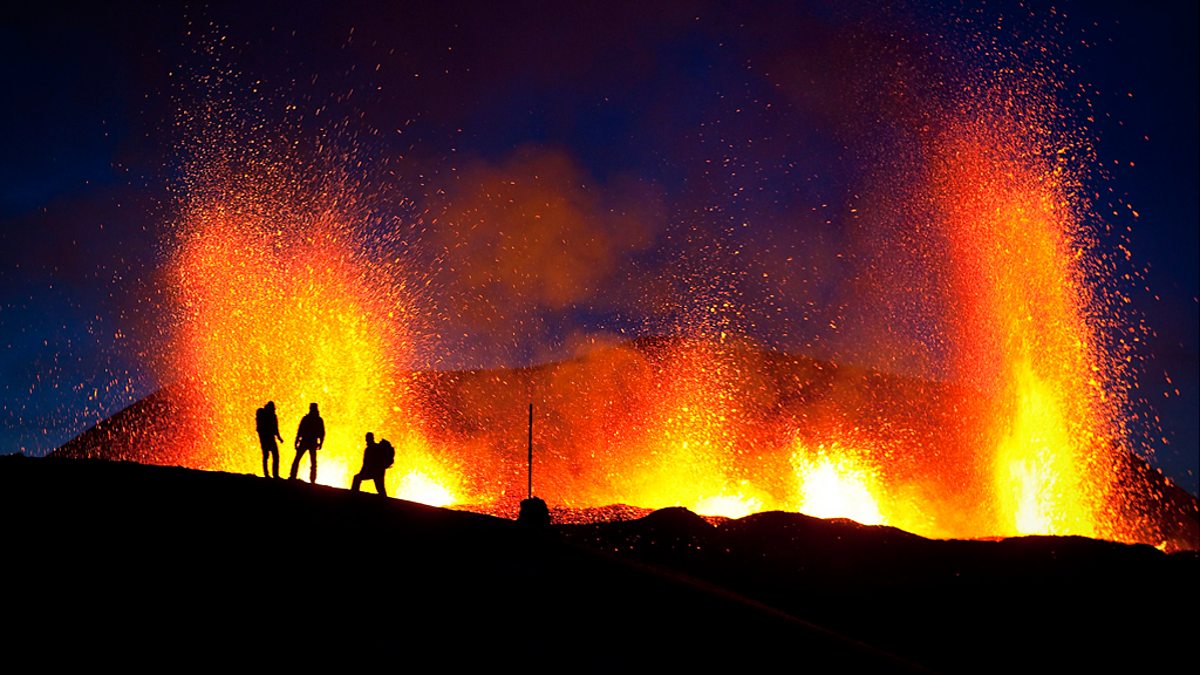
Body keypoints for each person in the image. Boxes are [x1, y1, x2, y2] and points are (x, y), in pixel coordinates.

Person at [289, 402, 325, 483]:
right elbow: (322, 433)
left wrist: (297, 440)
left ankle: (293, 476)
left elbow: (300, 430)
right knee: (313, 462)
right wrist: (321, 443)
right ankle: (312, 480)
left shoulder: (306, 418)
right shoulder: (318, 420)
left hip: (305, 441)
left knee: (298, 459)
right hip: (312, 441)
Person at [351, 432, 394, 496]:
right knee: (380, 488)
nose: (367, 439)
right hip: (377, 472)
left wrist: (362, 473)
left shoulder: (374, 448)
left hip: (376, 472)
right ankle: (385, 500)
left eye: (368, 438)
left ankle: (353, 496)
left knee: (380, 488)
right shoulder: (372, 448)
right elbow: (366, 463)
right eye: (367, 438)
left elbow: (366, 463)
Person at [255, 401, 284, 479]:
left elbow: (275, 428)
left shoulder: (272, 416)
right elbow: (274, 428)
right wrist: (279, 437)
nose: (274, 410)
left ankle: (273, 475)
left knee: (273, 456)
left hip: (269, 438)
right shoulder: (264, 414)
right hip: (266, 438)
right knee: (267, 456)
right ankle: (268, 475)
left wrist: (279, 438)